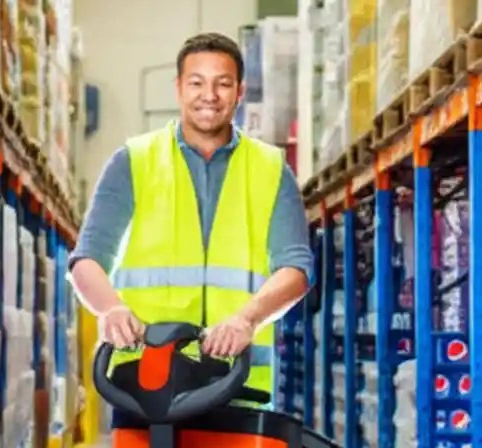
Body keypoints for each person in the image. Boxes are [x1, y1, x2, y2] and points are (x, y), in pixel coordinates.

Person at [68, 31, 314, 400]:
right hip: (145, 380)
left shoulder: (271, 169)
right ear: (179, 88)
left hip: (237, 381)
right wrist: (111, 308)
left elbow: (296, 268)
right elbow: (87, 258)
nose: (209, 96)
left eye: (223, 84)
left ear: (240, 91)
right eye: (197, 83)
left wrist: (247, 318)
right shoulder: (133, 161)